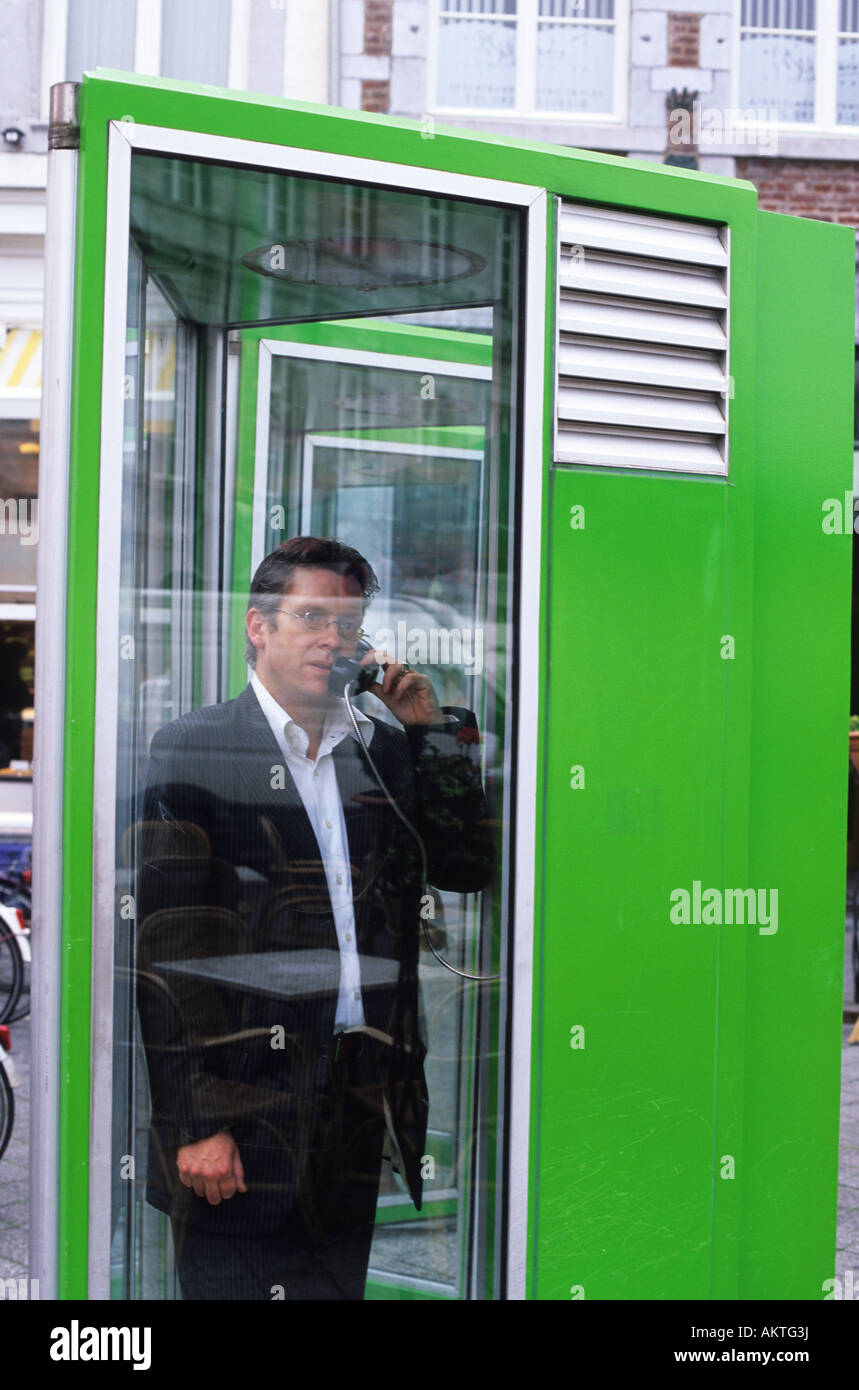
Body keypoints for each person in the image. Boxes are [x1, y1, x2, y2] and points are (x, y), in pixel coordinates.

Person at [135, 536, 493, 1300]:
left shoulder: (380, 753)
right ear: (257, 627)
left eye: (349, 623)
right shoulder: (197, 747)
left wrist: (428, 730)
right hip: (244, 1104)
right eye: (311, 617)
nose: (332, 639)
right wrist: (197, 1121)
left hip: (355, 1101)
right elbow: (166, 950)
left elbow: (467, 866)